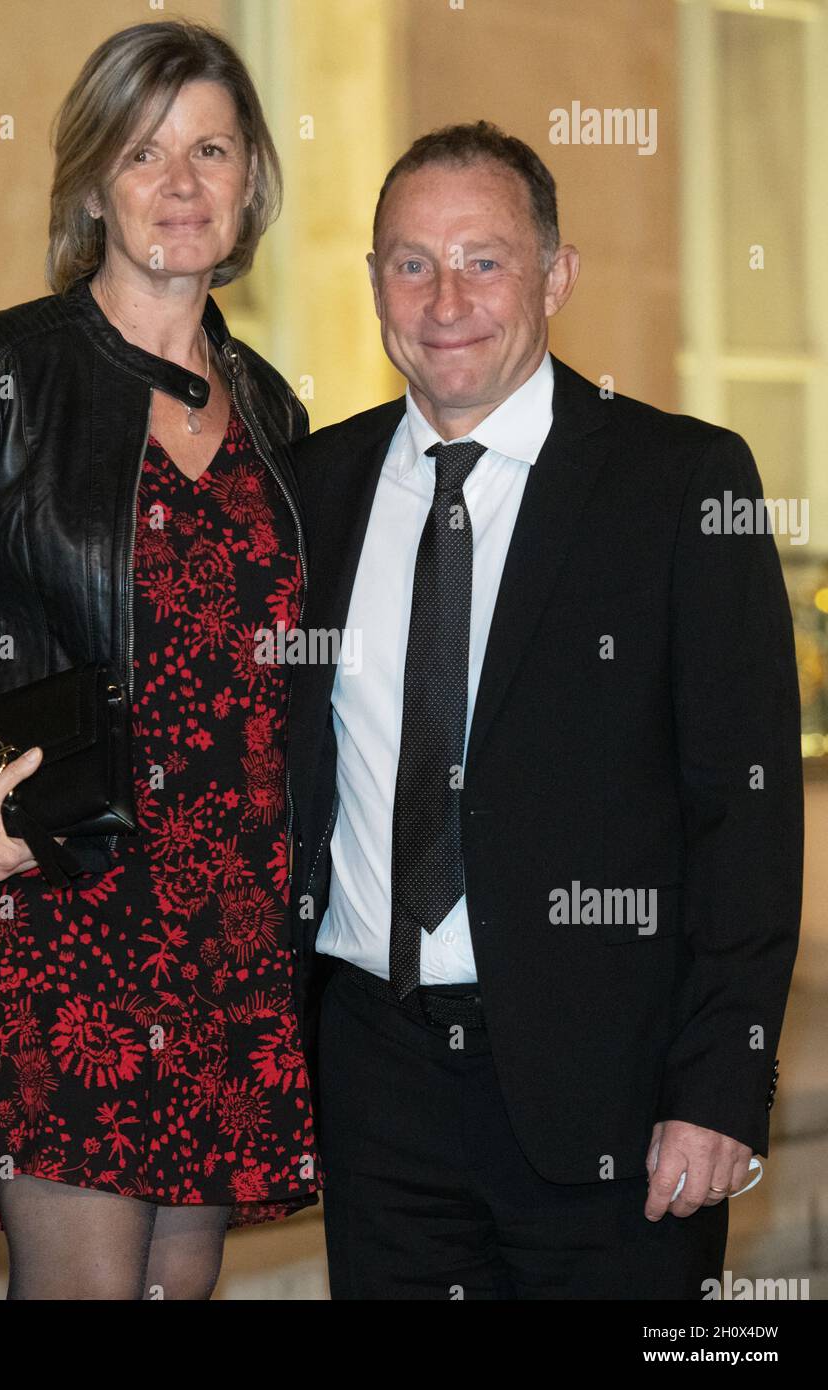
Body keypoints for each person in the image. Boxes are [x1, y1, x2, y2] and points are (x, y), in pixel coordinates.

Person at [0, 20, 319, 1301]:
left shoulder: (272, 410)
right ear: (93, 180)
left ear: (253, 179)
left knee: (177, 1292)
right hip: (60, 899)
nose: (183, 182)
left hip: (228, 923)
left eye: (211, 148)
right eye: (145, 152)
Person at [288, 121, 802, 1300]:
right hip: (376, 1086)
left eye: (484, 259)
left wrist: (719, 1087)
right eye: (409, 262)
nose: (443, 297)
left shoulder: (680, 483)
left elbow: (745, 815)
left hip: (612, 1103)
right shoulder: (318, 485)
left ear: (556, 275)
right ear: (372, 284)